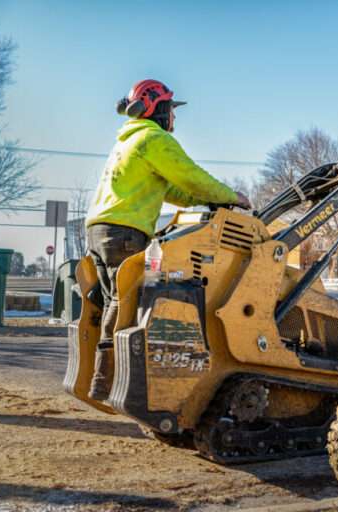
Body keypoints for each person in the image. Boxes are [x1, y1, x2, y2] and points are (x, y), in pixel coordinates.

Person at [85, 79, 250, 400]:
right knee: (128, 304)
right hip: (124, 231)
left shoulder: (128, 141)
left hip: (100, 230)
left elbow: (173, 190)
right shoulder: (153, 138)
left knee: (113, 302)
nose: (174, 116)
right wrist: (232, 196)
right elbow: (191, 176)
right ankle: (113, 384)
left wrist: (208, 201)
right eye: (171, 109)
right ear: (156, 109)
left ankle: (103, 382)